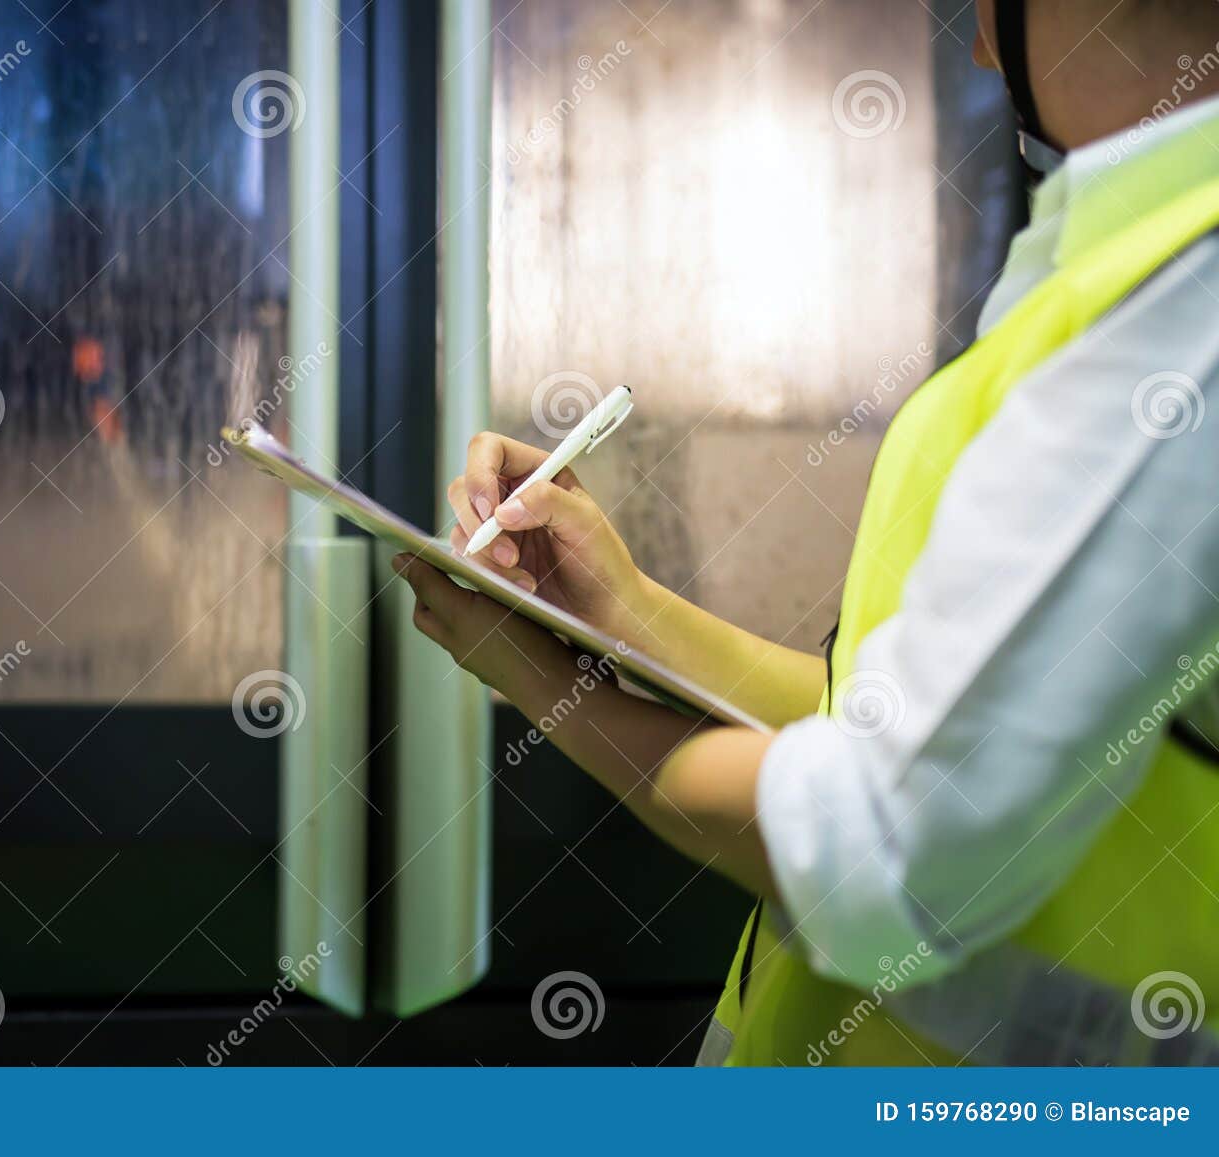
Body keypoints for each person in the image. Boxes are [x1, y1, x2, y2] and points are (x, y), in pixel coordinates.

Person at [392, 0, 1219, 1065]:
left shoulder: (1179, 314)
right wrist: (624, 611)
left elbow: (884, 843)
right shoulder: (1127, 258)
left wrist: (552, 689)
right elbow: (904, 723)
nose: (974, 40)